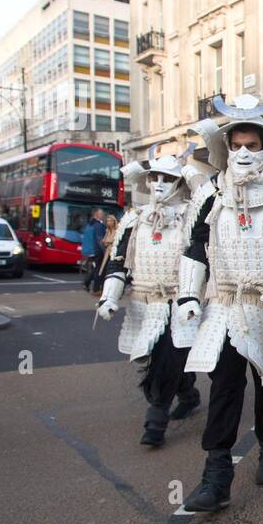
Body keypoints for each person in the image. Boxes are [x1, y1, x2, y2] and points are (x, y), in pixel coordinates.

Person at [174, 94, 263, 512]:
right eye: (235, 144)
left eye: (251, 145)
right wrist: (188, 294)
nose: (243, 152)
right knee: (223, 383)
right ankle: (216, 474)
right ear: (225, 147)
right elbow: (194, 248)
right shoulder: (210, 193)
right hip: (224, 303)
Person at [96, 149, 203, 447]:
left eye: (167, 178)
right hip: (145, 302)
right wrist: (109, 297)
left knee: (170, 355)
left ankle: (156, 419)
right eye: (154, 177)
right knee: (156, 355)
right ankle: (188, 393)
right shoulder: (134, 219)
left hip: (180, 301)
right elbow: (119, 262)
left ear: (179, 182)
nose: (158, 183)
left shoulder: (192, 217)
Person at [81, 208, 107, 292]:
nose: (103, 215)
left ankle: (87, 283)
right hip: (97, 250)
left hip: (90, 250)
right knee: (99, 269)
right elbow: (100, 239)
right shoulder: (98, 225)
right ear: (96, 214)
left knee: (95, 268)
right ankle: (96, 287)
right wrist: (104, 251)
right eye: (101, 213)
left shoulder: (90, 224)